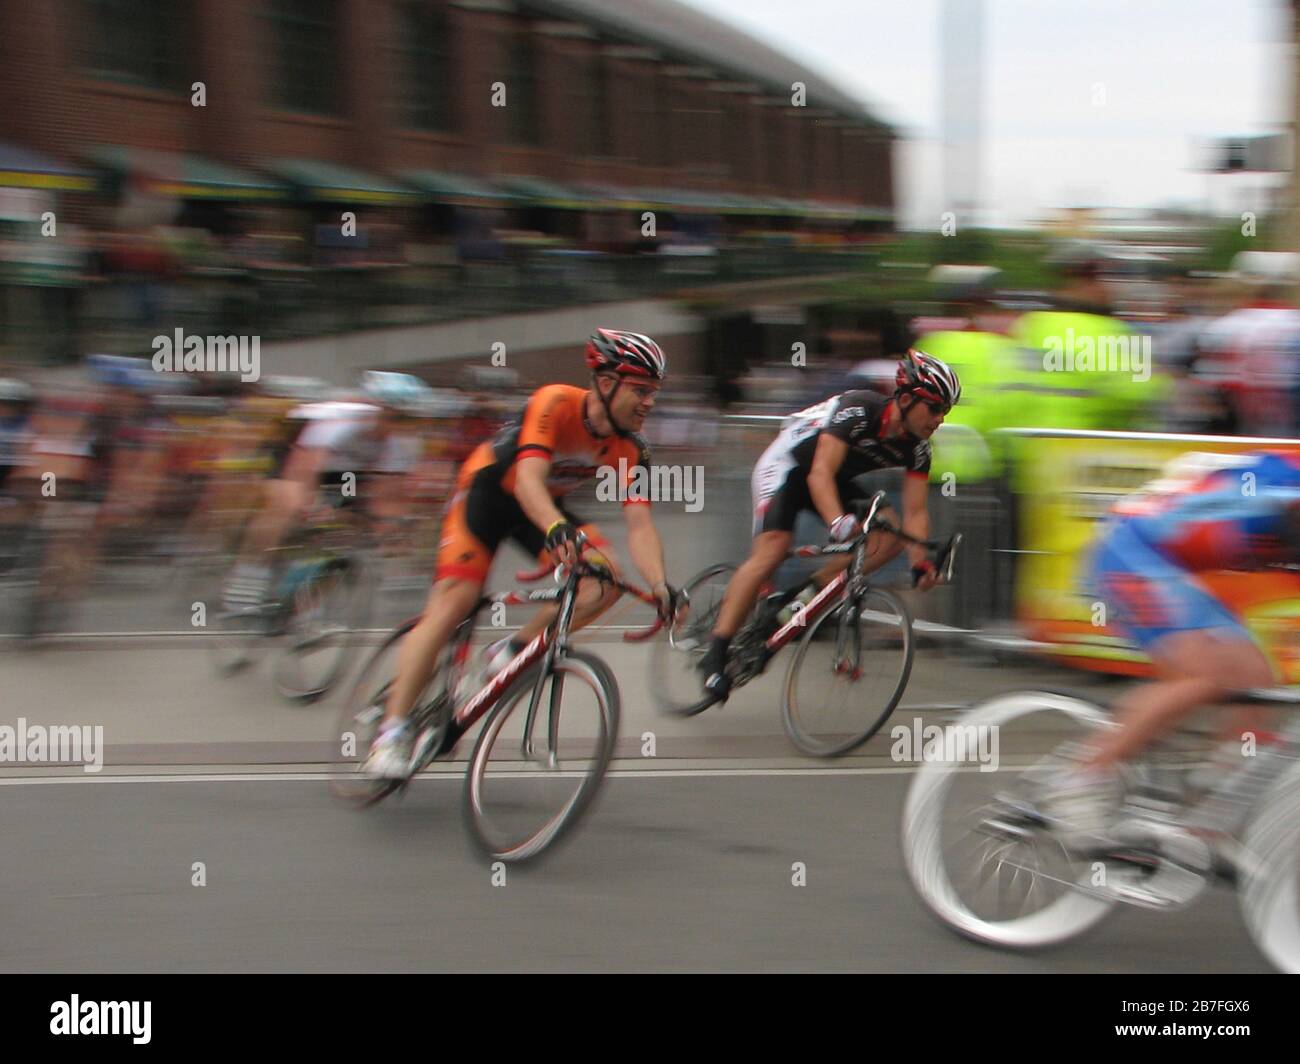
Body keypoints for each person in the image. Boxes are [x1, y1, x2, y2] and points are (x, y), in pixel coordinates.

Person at [363, 329, 678, 779]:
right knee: (452, 603)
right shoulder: (554, 402)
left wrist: (659, 583)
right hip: (490, 494)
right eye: (641, 391)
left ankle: (511, 648)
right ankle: (389, 734)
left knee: (604, 581)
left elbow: (640, 524)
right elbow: (529, 479)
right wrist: (555, 528)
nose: (650, 403)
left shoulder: (632, 448)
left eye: (654, 393)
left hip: (542, 509)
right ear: (606, 383)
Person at [1046, 450, 1300, 848]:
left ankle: (1211, 812)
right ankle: (1079, 779)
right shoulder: (1282, 488)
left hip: (1176, 564)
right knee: (1204, 673)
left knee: (1257, 677)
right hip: (1130, 550)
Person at [697, 349, 962, 705]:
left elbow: (915, 514)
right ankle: (714, 653)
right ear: (907, 398)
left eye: (945, 411)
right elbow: (819, 471)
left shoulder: (919, 449)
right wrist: (837, 521)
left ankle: (803, 595)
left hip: (830, 479)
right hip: (789, 468)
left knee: (890, 535)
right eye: (934, 408)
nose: (939, 419)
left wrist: (921, 562)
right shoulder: (860, 409)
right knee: (773, 549)